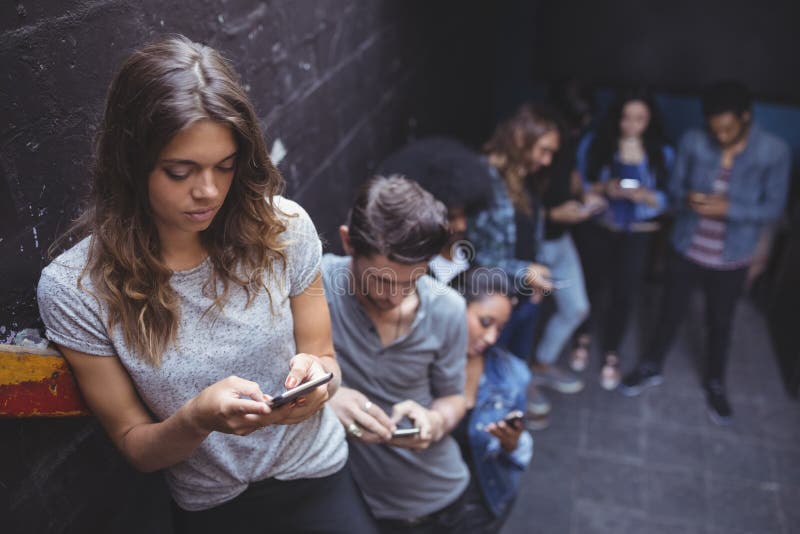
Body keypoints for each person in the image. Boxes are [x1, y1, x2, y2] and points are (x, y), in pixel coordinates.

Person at [36, 36, 377, 533]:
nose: (209, 191)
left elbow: (327, 360)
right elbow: (136, 445)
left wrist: (318, 385)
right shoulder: (75, 288)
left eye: (225, 166)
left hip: (319, 473)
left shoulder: (283, 228)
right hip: (215, 508)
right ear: (131, 164)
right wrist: (196, 420)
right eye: (180, 171)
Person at [619, 81, 791, 424]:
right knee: (669, 311)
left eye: (728, 128)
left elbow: (774, 209)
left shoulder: (774, 151)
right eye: (715, 129)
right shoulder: (693, 141)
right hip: (687, 245)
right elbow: (675, 188)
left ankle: (715, 383)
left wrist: (730, 208)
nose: (721, 136)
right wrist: (689, 200)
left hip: (732, 257)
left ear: (746, 117)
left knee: (720, 323)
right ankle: (652, 365)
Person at [322, 176, 470, 533]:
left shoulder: (448, 309)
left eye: (412, 280)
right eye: (382, 280)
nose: (396, 295)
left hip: (445, 499)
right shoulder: (315, 285)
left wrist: (435, 422)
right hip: (356, 507)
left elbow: (453, 398)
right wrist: (326, 397)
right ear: (347, 242)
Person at [466, 104, 574, 423]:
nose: (547, 161)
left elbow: (530, 234)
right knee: (488, 370)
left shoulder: (527, 179)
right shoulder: (484, 179)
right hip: (495, 298)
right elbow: (469, 252)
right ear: (520, 140)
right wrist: (521, 271)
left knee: (514, 365)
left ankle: (512, 410)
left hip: (525, 295)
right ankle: (488, 426)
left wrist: (535, 273)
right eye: (543, 150)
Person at [574, 88, 675, 390]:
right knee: (590, 285)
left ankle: (612, 351)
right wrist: (605, 187)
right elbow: (580, 185)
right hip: (599, 227)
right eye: (626, 118)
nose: (631, 125)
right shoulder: (596, 144)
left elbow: (669, 199)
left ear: (650, 121)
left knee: (625, 292)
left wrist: (643, 194)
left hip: (638, 234)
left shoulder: (661, 153)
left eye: (640, 119)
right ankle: (583, 336)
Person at [451, 268, 533, 533]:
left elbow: (521, 450)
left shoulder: (511, 375)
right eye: (485, 322)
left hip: (483, 504)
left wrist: (512, 444)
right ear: (454, 306)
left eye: (500, 328)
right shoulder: (419, 361)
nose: (492, 338)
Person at [377, 137, 493, 286]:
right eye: (450, 217)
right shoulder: (417, 271)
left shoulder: (466, 248)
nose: (461, 226)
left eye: (464, 214)